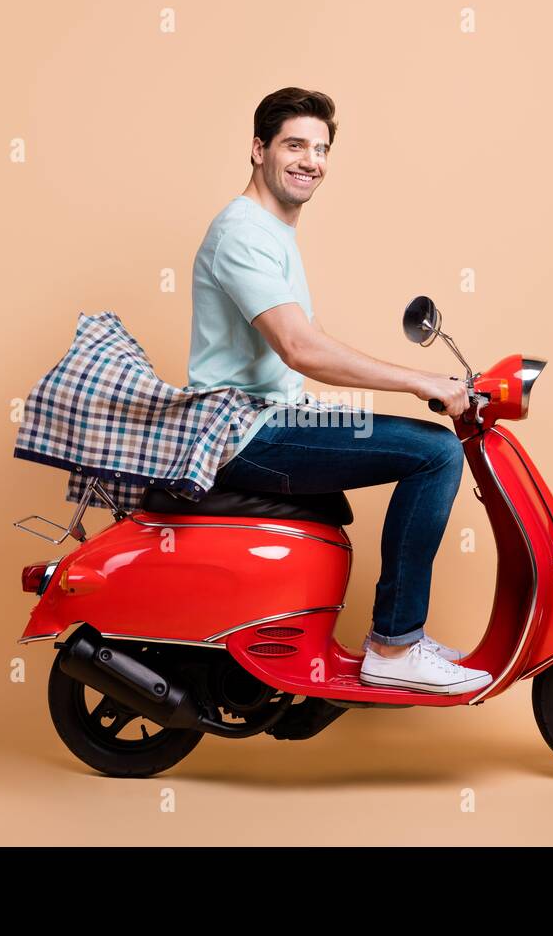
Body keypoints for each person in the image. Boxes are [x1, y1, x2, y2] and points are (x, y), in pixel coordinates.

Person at [188, 87, 492, 696]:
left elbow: (309, 340)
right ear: (258, 149)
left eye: (320, 149)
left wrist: (416, 384)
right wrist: (420, 381)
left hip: (278, 417)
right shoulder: (243, 233)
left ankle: (395, 640)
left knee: (410, 439)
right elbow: (300, 348)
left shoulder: (271, 231)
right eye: (294, 145)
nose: (310, 161)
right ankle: (395, 645)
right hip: (247, 433)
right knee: (435, 452)